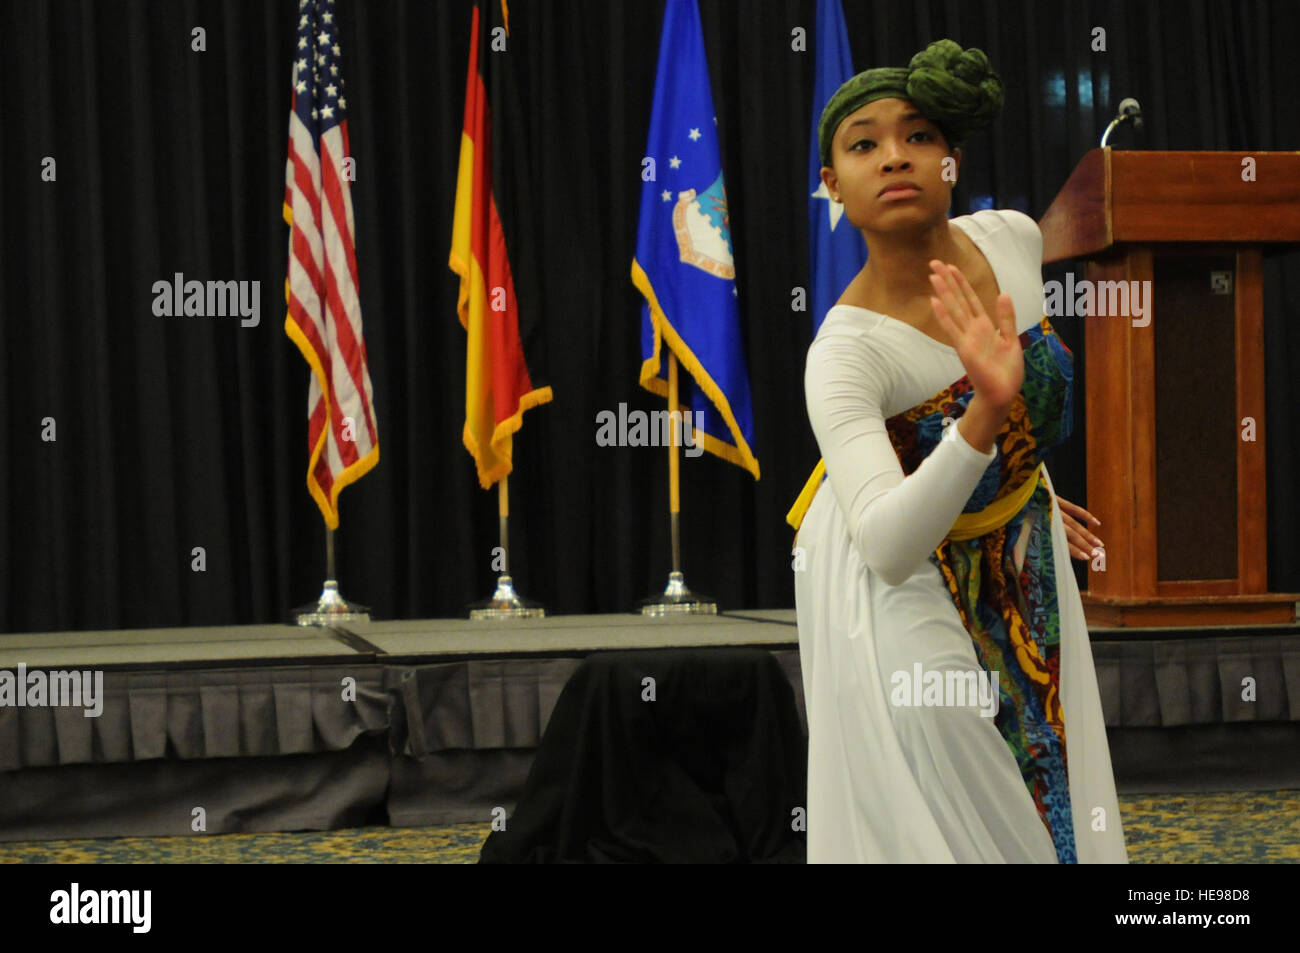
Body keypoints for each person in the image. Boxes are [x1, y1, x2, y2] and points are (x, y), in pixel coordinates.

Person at [788, 39, 1128, 863]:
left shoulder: (1014, 239)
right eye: (863, 143)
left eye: (918, 136)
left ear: (952, 160)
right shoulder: (844, 353)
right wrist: (985, 415)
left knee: (1050, 768)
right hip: (892, 572)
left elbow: (1027, 400)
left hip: (1020, 544)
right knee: (961, 783)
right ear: (832, 187)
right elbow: (888, 544)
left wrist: (1028, 485)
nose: (895, 156)